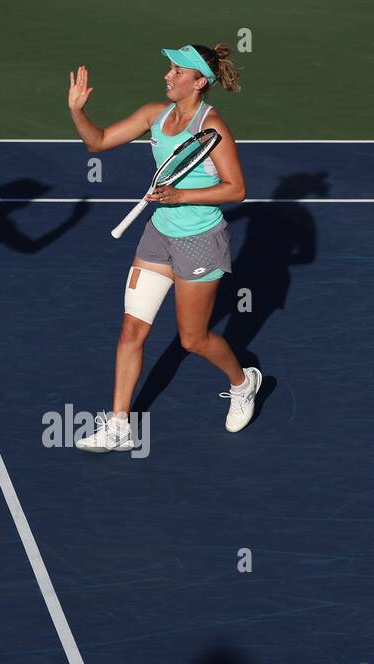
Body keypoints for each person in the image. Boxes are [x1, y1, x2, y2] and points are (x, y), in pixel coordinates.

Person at [67, 44, 259, 453]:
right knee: (131, 329)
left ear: (199, 82)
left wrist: (180, 197)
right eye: (169, 69)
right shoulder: (154, 114)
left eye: (177, 71)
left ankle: (244, 383)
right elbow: (97, 142)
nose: (168, 76)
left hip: (200, 242)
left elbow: (237, 189)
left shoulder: (214, 127)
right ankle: (120, 426)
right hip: (157, 236)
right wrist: (78, 111)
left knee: (192, 340)